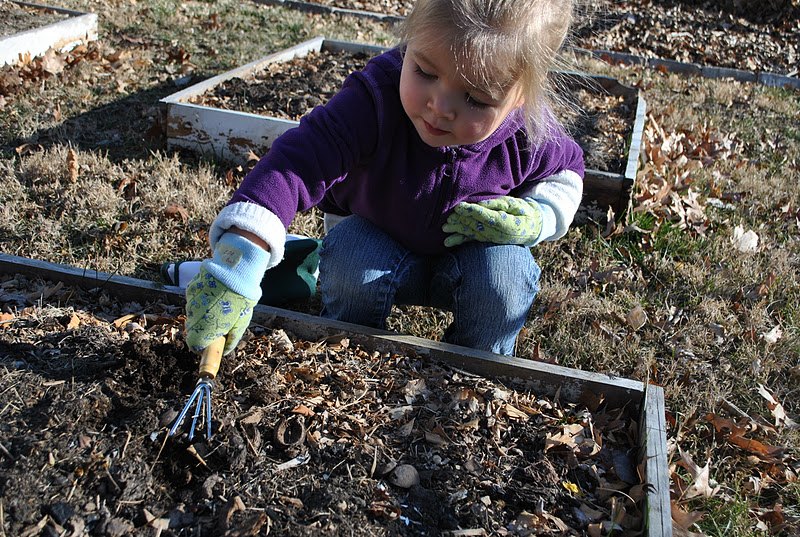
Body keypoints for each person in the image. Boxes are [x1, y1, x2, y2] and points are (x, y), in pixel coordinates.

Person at [182, 0, 585, 358]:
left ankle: (476, 369)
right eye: (425, 71)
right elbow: (300, 161)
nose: (439, 107)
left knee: (505, 280)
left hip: (473, 259)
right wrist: (243, 253)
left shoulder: (528, 131)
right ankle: (351, 349)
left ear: (520, 97)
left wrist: (539, 217)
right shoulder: (374, 99)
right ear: (408, 43)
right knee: (351, 259)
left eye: (476, 99)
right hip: (376, 247)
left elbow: (567, 172)